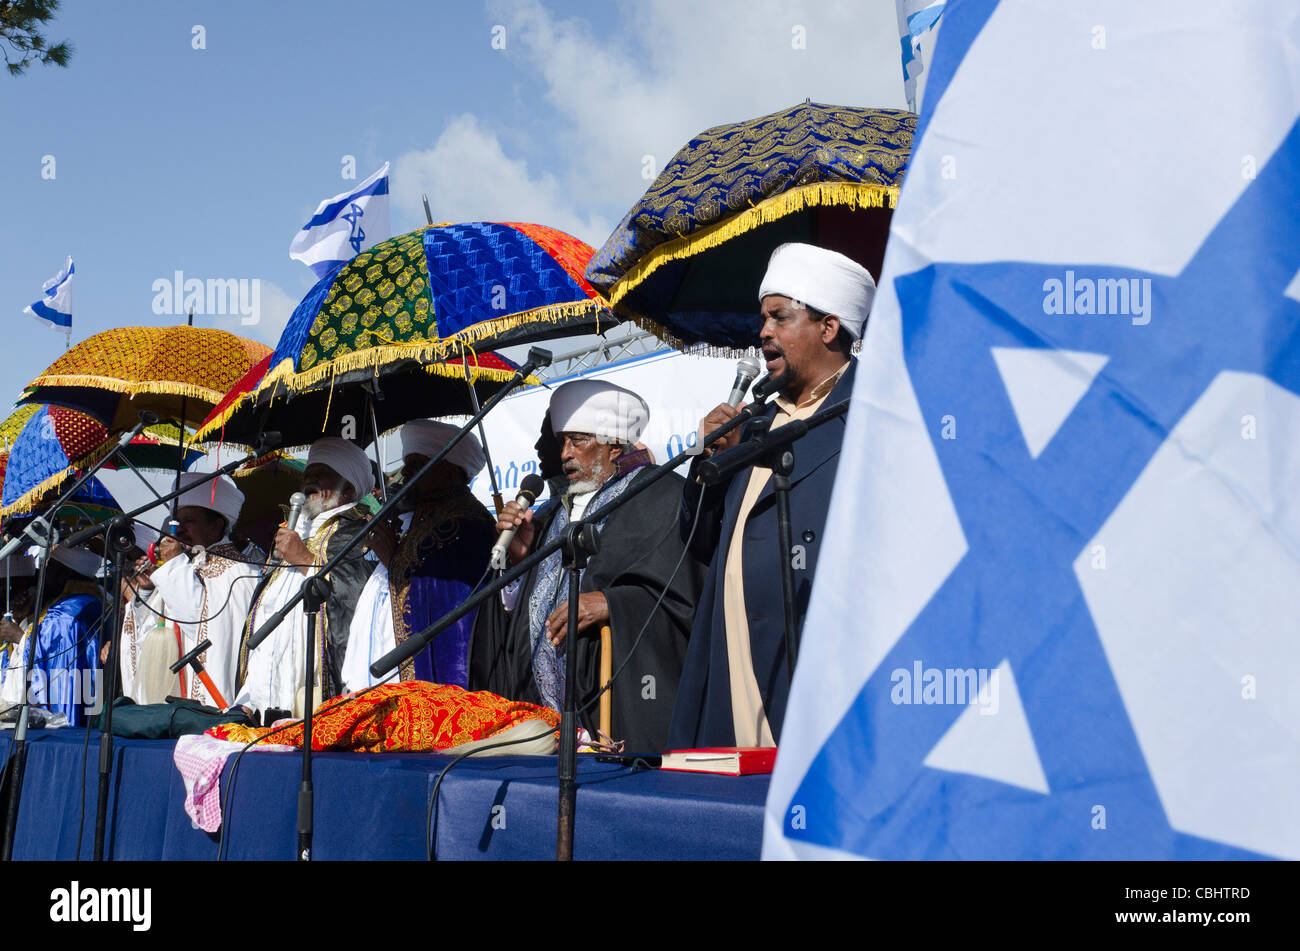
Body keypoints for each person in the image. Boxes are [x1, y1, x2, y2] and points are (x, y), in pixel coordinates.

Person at [668, 242, 875, 749]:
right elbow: (697, 545)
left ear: (828, 328)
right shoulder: (755, 420)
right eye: (763, 319)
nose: (763, 333)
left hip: (818, 672)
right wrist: (709, 469)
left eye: (780, 318)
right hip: (731, 660)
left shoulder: (874, 416)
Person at [469, 380, 704, 752]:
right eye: (562, 441)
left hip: (616, 707)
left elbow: (686, 596)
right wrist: (521, 559)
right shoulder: (550, 513)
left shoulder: (661, 495)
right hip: (542, 723)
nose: (565, 454)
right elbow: (519, 612)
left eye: (578, 441)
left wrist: (613, 604)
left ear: (614, 445)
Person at [341, 420, 496, 691]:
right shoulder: (425, 513)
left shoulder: (465, 522)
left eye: (416, 465)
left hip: (446, 673)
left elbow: (445, 601)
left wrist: (392, 557)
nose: (407, 474)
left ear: (448, 468)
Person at [234, 438, 375, 719]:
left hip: (315, 691)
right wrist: (248, 695)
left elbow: (355, 600)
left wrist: (304, 560)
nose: (310, 480)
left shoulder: (358, 533)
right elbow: (268, 614)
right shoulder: (295, 530)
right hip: (266, 696)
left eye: (322, 474)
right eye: (308, 474)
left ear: (347, 488)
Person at [119, 473, 259, 708]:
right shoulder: (185, 563)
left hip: (206, 703)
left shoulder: (239, 572)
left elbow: (198, 624)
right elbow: (154, 630)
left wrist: (173, 567)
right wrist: (146, 590)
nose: (178, 529)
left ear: (217, 525)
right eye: (176, 521)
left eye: (189, 521)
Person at [0, 547, 104, 725]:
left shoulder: (67, 613)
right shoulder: (85, 604)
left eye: (50, 568)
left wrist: (20, 638)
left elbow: (53, 662)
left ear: (63, 573)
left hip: (59, 724)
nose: (42, 574)